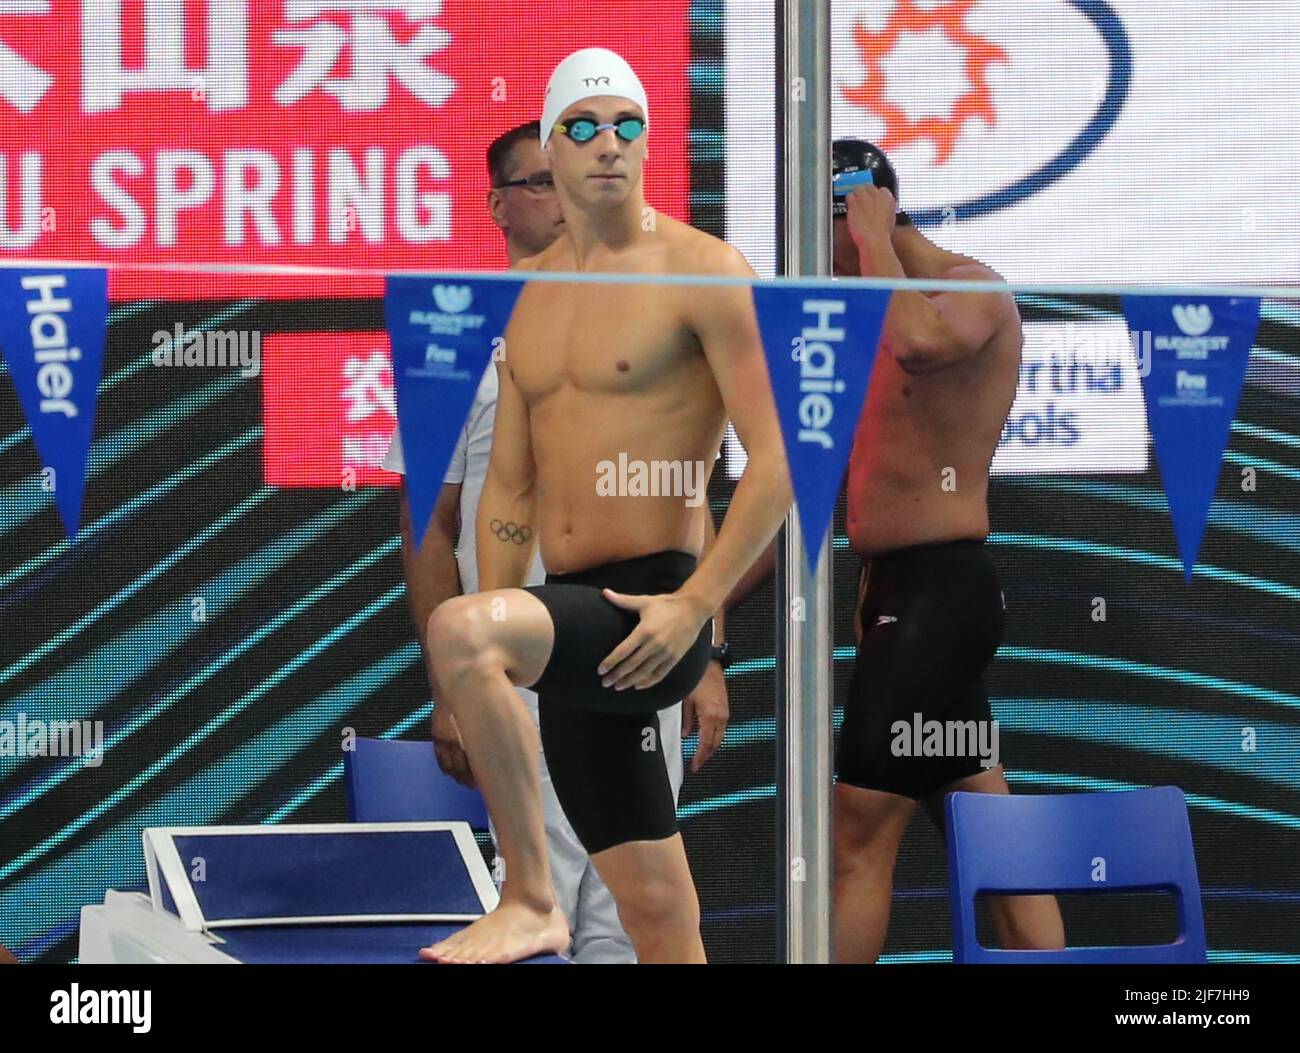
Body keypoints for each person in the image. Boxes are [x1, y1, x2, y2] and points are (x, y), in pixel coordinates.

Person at [419, 47, 792, 964]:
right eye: (585, 127)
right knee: (659, 911)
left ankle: (529, 894)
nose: (609, 144)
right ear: (553, 144)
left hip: (652, 608)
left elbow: (783, 453)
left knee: (461, 631)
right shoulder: (533, 301)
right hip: (573, 619)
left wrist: (698, 609)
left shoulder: (704, 269)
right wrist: (498, 657)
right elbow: (506, 491)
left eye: (629, 124)